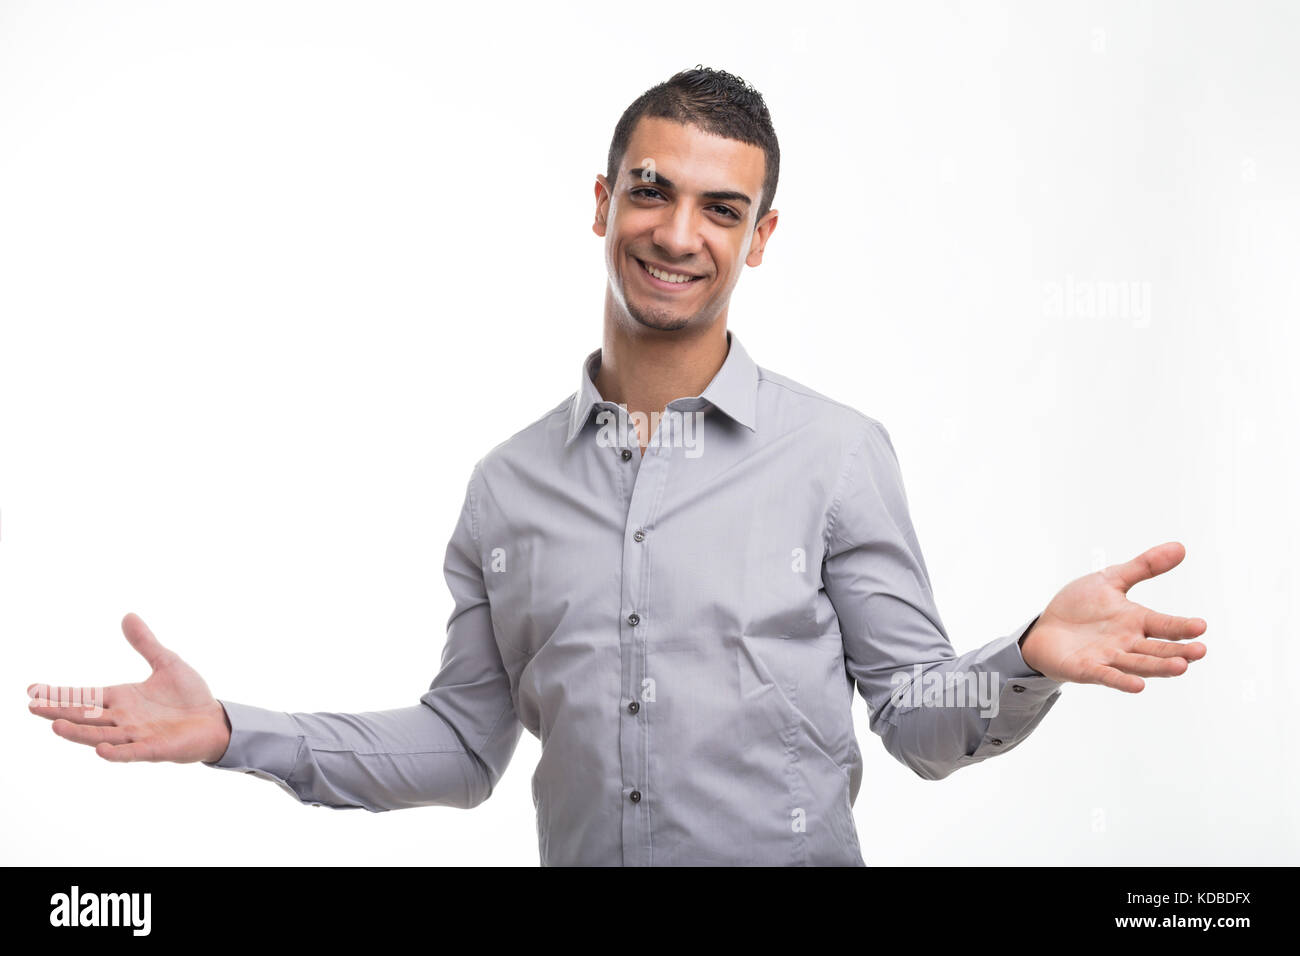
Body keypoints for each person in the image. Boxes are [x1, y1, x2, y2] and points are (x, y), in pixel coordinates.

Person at [27, 66, 1207, 866]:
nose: (677, 233)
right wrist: (235, 727)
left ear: (760, 235)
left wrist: (1024, 660)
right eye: (650, 191)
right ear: (603, 202)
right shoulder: (506, 486)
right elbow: (459, 745)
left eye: (719, 206)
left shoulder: (835, 456)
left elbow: (912, 718)